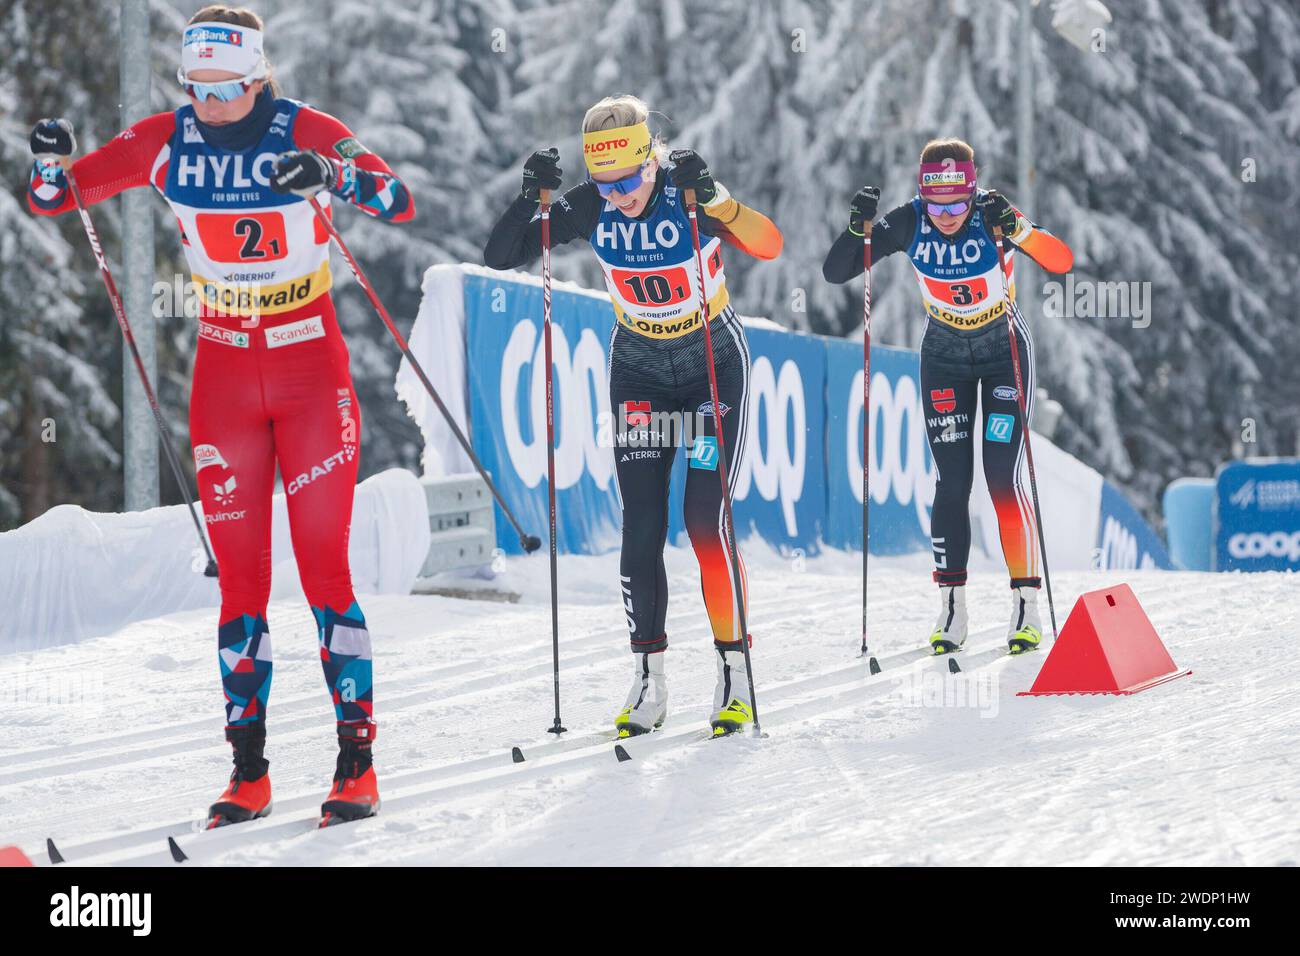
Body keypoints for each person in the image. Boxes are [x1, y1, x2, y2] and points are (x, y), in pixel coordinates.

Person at [27, 5, 415, 827]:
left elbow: (396, 198)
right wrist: (50, 164)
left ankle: (356, 763)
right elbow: (59, 198)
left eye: (227, 89)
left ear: (258, 77)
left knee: (324, 574)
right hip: (225, 372)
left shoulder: (305, 126)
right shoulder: (164, 140)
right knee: (240, 584)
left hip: (311, 367)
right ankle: (248, 772)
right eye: (195, 88)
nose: (209, 104)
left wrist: (332, 176)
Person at [484, 94, 782, 737]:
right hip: (640, 368)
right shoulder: (593, 203)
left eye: (627, 180)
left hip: (710, 363)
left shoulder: (685, 188)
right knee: (641, 527)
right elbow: (501, 253)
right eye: (603, 183)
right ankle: (649, 679)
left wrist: (719, 200)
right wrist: (530, 196)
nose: (616, 196)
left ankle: (735, 673)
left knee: (704, 521)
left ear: (652, 159)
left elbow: (769, 244)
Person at [822, 138, 1073, 656]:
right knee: (952, 481)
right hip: (944, 356)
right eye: (939, 207)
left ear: (973, 191)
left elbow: (1061, 261)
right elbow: (837, 270)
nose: (949, 216)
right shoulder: (910, 220)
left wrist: (1020, 229)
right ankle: (952, 606)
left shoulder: (991, 215)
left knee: (1002, 477)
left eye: (959, 204)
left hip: (1003, 349)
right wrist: (857, 229)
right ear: (922, 195)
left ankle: (1026, 601)